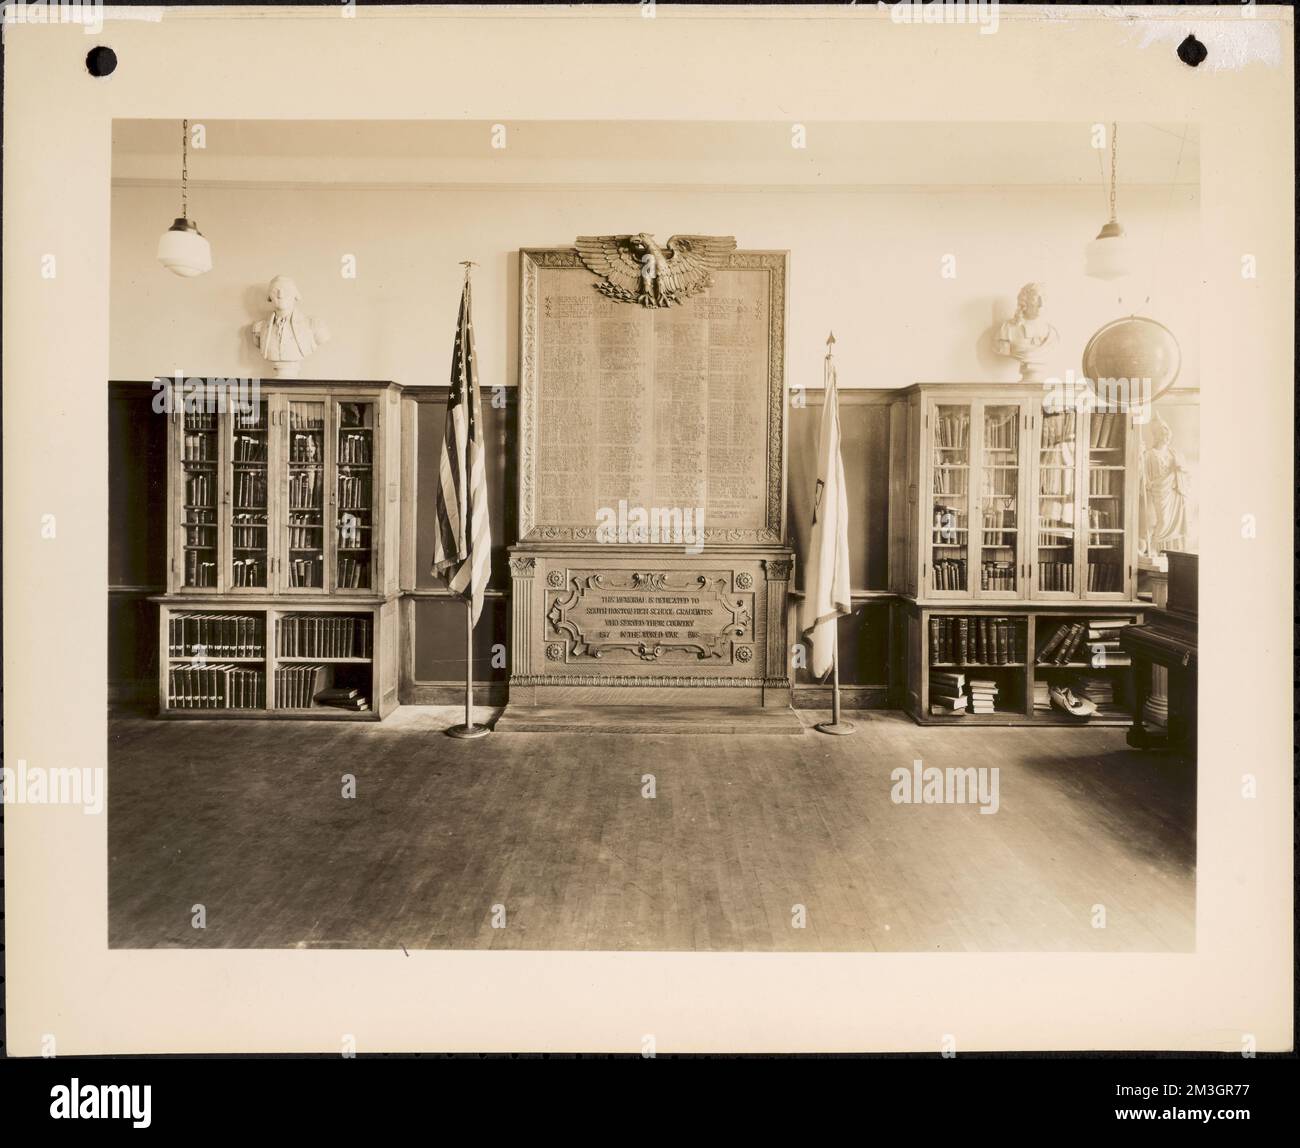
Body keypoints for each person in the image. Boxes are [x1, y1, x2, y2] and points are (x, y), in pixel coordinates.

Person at [252, 276, 330, 377]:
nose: (280, 295)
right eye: (275, 290)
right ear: (269, 297)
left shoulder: (313, 325)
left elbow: (322, 338)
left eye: (286, 290)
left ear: (295, 294)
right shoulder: (259, 328)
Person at [1139, 415, 1190, 558]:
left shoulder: (1174, 453)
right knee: (1163, 521)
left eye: (1167, 434)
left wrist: (1181, 467)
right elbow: (1144, 475)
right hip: (1159, 490)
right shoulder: (1149, 454)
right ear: (1156, 435)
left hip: (1175, 491)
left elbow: (1185, 472)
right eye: (1163, 434)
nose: (1166, 437)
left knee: (1176, 522)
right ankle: (1153, 547)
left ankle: (1172, 551)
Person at [995, 282, 1060, 381]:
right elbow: (1003, 349)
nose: (1041, 304)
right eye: (1035, 299)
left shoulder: (1052, 333)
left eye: (1043, 298)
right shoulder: (1008, 329)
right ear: (1024, 302)